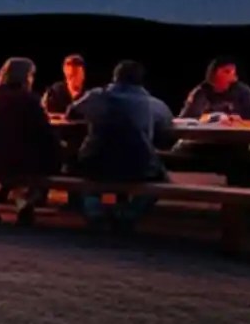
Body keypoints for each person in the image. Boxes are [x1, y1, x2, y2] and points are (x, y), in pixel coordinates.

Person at [67, 60, 175, 231]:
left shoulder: (97, 96)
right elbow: (167, 126)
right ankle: (127, 214)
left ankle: (94, 211)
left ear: (115, 78)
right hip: (137, 167)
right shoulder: (154, 104)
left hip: (96, 162)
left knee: (77, 170)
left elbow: (72, 112)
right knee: (163, 180)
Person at [0, 58, 60, 226]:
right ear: (25, 76)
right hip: (18, 161)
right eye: (31, 75)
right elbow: (44, 133)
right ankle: (24, 203)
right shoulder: (29, 100)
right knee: (49, 159)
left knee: (12, 160)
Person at [167, 56, 250, 187]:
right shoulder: (200, 92)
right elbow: (185, 119)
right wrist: (208, 120)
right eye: (226, 72)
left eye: (233, 72)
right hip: (202, 143)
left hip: (234, 143)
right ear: (213, 74)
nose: (231, 76)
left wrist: (239, 121)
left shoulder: (243, 92)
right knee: (176, 155)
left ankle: (240, 200)